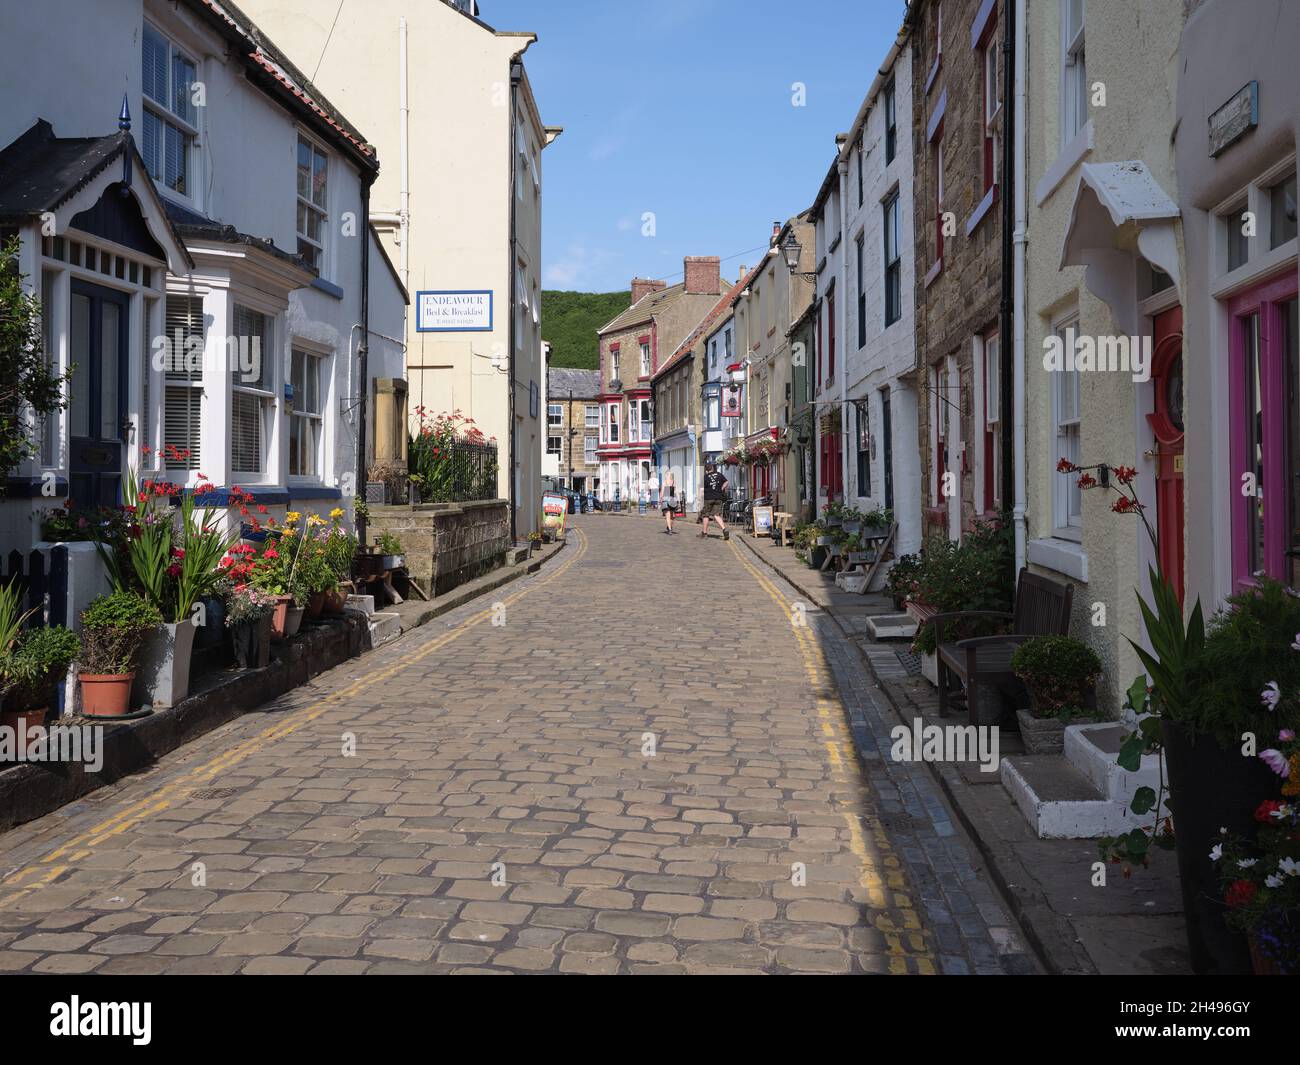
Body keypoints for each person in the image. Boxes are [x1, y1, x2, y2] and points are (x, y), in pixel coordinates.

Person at [698, 462, 730, 540]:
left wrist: (699, 500)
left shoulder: (705, 477)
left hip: (708, 498)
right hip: (718, 497)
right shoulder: (719, 474)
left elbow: (701, 490)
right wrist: (722, 487)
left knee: (706, 515)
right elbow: (726, 482)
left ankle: (705, 533)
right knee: (717, 515)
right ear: (712, 468)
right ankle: (724, 529)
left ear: (706, 470)